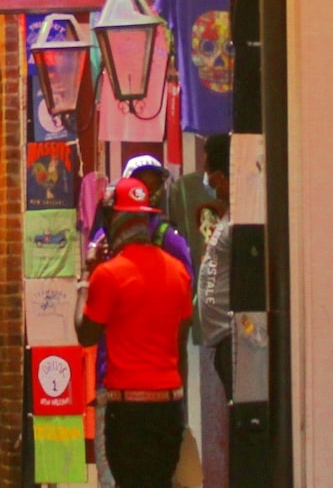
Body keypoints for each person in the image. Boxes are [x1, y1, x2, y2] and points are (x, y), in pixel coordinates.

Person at [76, 174, 193, 488]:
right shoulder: (178, 272)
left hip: (127, 411)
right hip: (168, 407)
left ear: (117, 219)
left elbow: (85, 335)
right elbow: (181, 348)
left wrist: (86, 277)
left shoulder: (108, 276)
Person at [195, 139, 235, 397]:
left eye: (208, 171)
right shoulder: (229, 212)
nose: (206, 178)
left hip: (235, 339)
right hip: (222, 341)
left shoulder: (243, 215)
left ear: (221, 177)